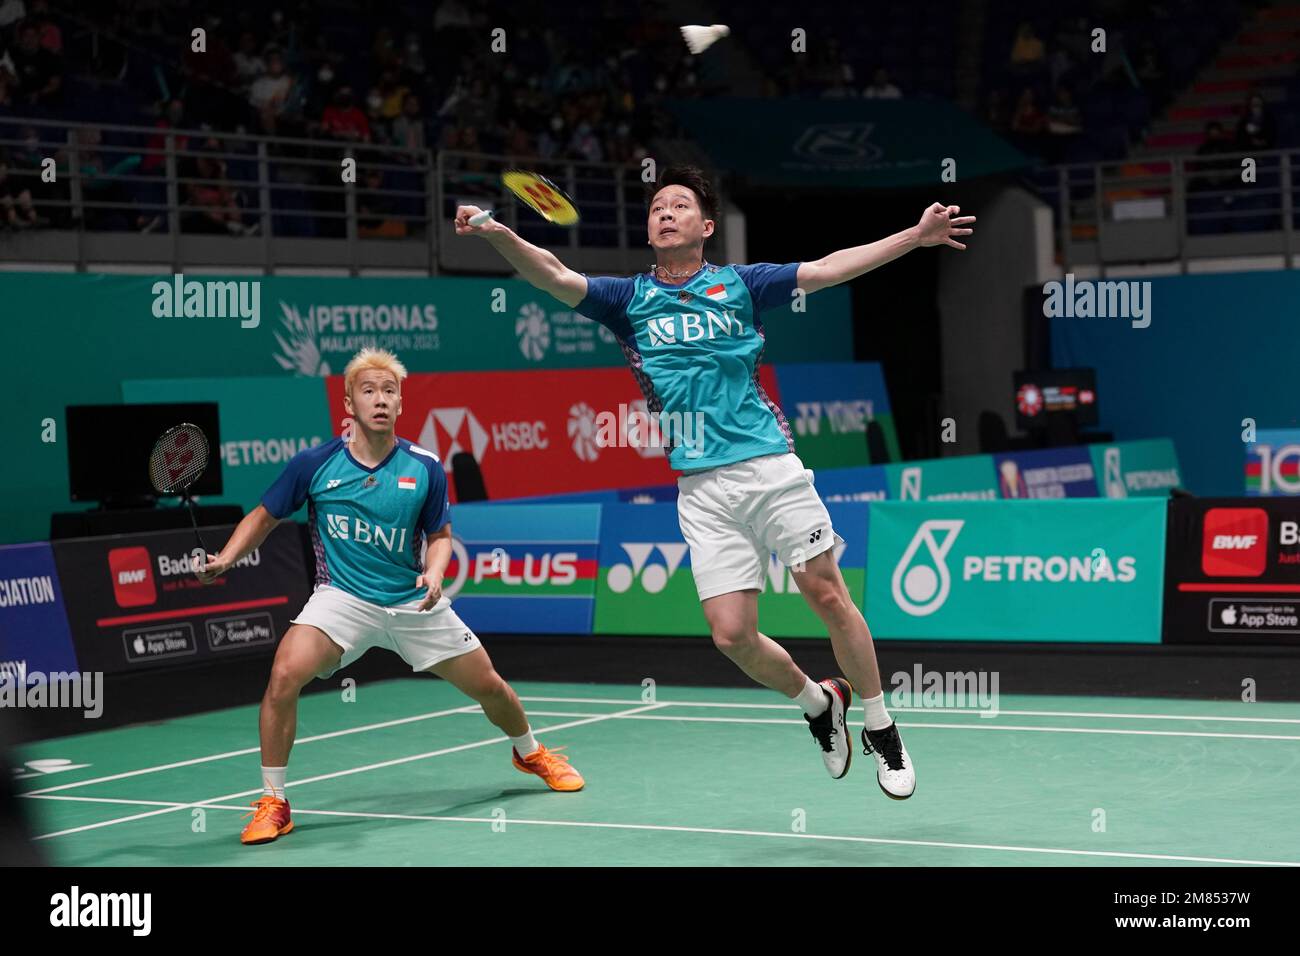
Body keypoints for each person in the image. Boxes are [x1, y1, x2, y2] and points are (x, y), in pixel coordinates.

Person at [454, 165, 975, 801]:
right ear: (649, 230)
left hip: (768, 465)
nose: (665, 213)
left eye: (679, 205)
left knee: (827, 593)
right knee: (730, 635)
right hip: (700, 486)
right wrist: (496, 233)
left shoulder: (742, 285)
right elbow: (554, 275)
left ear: (705, 227)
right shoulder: (628, 300)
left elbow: (830, 268)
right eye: (656, 208)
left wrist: (912, 239)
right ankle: (817, 702)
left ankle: (881, 726)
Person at [196, 348, 585, 845]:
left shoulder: (424, 466)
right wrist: (227, 558)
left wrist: (435, 571)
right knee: (284, 674)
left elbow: (440, 535)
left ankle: (529, 751)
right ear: (349, 403)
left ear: (401, 403)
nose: (380, 400)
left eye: (389, 392)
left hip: (410, 599)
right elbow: (264, 516)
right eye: (369, 391)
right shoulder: (315, 464)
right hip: (343, 598)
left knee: (490, 686)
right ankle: (275, 800)